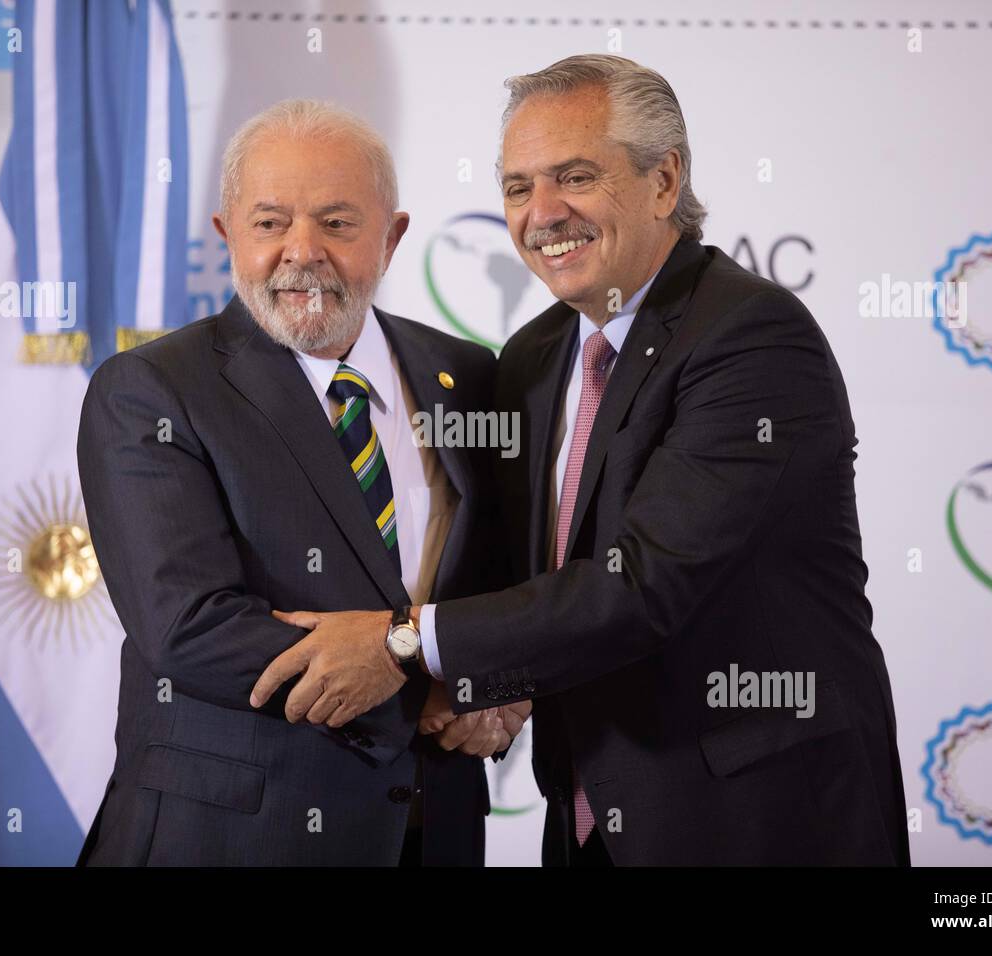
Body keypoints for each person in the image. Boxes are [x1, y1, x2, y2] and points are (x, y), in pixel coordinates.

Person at [253, 56, 911, 867]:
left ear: (664, 181)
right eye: (518, 186)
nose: (544, 212)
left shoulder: (751, 338)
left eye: (575, 176)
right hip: (587, 816)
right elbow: (534, 582)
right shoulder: (533, 357)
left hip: (759, 819)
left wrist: (400, 643)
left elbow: (641, 586)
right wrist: (491, 693)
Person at [77, 99, 527, 866]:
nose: (301, 250)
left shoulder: (472, 378)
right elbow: (189, 625)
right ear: (226, 236)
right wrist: (427, 688)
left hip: (435, 824)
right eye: (269, 223)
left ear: (392, 237)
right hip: (232, 836)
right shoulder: (150, 390)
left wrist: (501, 686)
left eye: (337, 223)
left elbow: (506, 584)